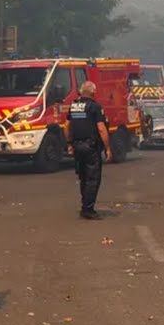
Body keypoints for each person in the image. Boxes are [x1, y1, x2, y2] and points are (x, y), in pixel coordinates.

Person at [67, 80, 113, 220]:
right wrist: (108, 148)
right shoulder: (94, 107)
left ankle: (84, 205)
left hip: (77, 146)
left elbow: (66, 126)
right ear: (93, 92)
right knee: (93, 178)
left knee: (83, 177)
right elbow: (101, 128)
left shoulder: (74, 106)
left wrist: (69, 143)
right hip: (90, 147)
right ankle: (88, 209)